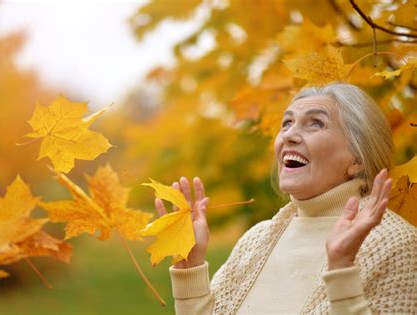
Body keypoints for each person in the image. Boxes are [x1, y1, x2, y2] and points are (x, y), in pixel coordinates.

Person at [154, 83, 416, 314]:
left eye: (316, 123)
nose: (289, 135)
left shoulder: (396, 245)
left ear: (357, 159)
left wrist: (342, 271)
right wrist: (191, 269)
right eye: (287, 123)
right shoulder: (256, 242)